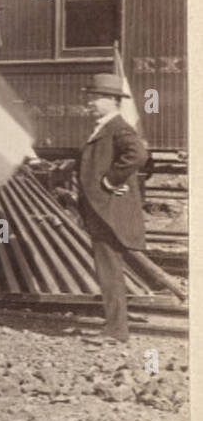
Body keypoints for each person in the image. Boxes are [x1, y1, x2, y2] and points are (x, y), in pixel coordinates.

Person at [76, 72, 148, 344]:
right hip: (101, 211)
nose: (90, 103)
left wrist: (110, 180)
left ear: (111, 100)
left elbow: (139, 155)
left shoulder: (118, 127)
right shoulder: (106, 126)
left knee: (110, 272)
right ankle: (115, 327)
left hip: (108, 212)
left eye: (95, 98)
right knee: (108, 271)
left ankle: (116, 332)